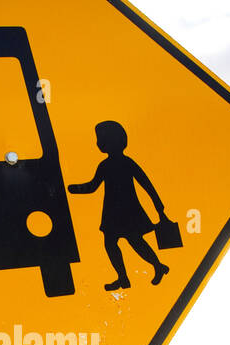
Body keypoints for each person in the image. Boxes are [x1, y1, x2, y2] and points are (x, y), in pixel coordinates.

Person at [68, 121, 169, 290]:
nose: (98, 143)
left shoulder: (125, 163)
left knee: (133, 241)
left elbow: (147, 185)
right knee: (112, 242)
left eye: (100, 139)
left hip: (127, 211)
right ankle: (124, 277)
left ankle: (156, 267)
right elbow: (93, 186)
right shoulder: (105, 165)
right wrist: (74, 189)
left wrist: (160, 209)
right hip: (113, 211)